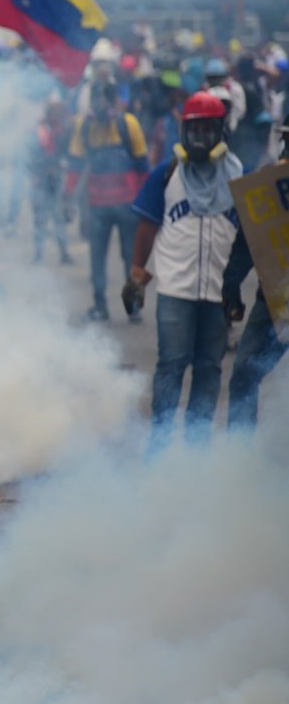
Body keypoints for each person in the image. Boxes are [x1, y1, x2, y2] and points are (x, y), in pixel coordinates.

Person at [125, 92, 243, 451]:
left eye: (209, 131)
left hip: (217, 291)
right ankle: (158, 448)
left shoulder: (240, 178)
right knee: (171, 366)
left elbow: (255, 235)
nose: (201, 140)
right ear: (183, 131)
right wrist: (136, 273)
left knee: (209, 369)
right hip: (175, 289)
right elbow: (147, 226)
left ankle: (196, 451)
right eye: (194, 131)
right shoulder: (167, 175)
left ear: (221, 132)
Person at [221, 111, 289, 431]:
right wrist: (230, 286)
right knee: (245, 377)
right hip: (276, 300)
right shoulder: (267, 184)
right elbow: (249, 240)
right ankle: (240, 461)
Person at [66, 79, 149, 323]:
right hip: (97, 205)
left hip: (128, 205)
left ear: (113, 101)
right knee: (97, 258)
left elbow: (143, 165)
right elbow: (75, 165)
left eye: (104, 99)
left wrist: (146, 206)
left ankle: (134, 307)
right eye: (96, 99)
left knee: (132, 259)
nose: (100, 105)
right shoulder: (83, 125)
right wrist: (68, 198)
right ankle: (100, 305)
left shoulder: (127, 123)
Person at [29, 98, 73, 265]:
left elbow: (67, 153)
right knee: (41, 217)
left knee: (58, 216)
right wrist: (34, 175)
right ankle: (39, 254)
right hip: (42, 177)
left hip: (56, 176)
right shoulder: (40, 130)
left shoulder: (63, 129)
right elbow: (33, 155)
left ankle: (63, 252)